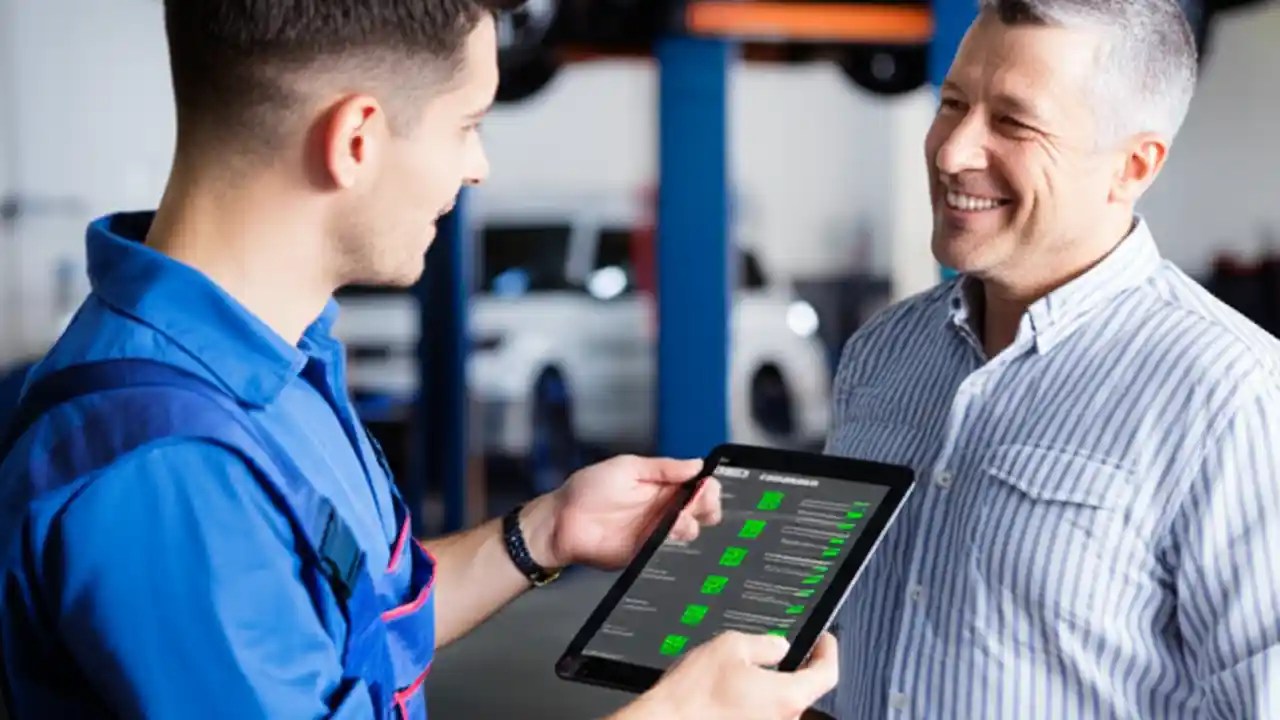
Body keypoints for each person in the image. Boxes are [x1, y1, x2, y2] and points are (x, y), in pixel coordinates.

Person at [0, 2, 839, 719]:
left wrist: (543, 532)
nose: (478, 167)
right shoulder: (166, 470)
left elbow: (351, 637)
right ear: (357, 138)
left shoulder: (272, 362)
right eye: (468, 125)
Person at [818, 0, 1280, 717]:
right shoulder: (884, 353)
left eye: (1013, 122)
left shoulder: (1232, 395)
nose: (950, 151)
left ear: (1132, 166)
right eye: (952, 103)